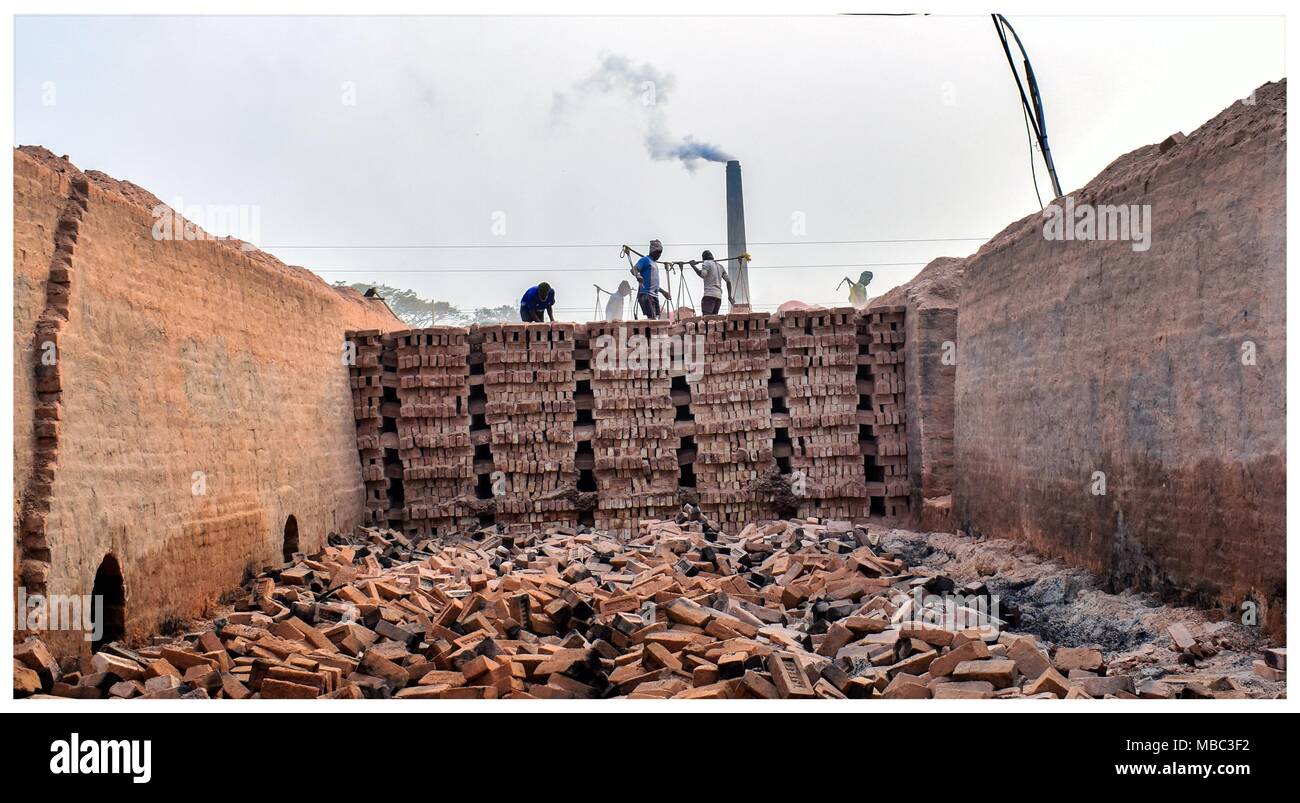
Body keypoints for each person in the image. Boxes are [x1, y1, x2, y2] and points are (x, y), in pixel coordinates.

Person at [630, 239, 671, 319]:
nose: (659, 255)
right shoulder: (645, 260)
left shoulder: (654, 264)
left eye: (660, 253)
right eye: (658, 252)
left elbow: (653, 284)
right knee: (652, 319)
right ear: (653, 251)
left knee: (656, 318)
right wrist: (638, 276)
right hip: (646, 294)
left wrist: (663, 292)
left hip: (654, 295)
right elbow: (633, 269)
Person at [690, 250, 732, 316]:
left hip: (709, 296)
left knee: (706, 320)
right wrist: (729, 296)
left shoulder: (707, 263)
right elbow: (728, 281)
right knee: (713, 322)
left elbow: (703, 274)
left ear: (703, 258)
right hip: (718, 297)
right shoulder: (720, 267)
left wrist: (693, 266)